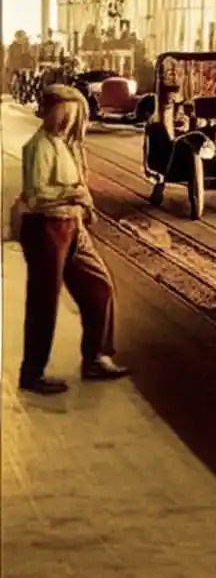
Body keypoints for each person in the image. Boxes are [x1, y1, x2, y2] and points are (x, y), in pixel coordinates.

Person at [18, 86, 130, 394]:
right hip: (47, 227)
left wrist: (83, 206)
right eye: (67, 113)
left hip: (73, 225)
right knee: (44, 300)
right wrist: (73, 194)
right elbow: (37, 194)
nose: (72, 120)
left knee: (100, 287)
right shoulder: (38, 146)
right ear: (54, 111)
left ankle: (96, 356)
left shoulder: (66, 145)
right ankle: (32, 373)